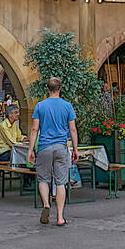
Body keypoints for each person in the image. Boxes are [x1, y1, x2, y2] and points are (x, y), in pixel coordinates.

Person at [27, 76, 79, 227]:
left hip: (44, 146)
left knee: (43, 179)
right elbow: (73, 129)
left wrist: (31, 149)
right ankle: (60, 217)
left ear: (47, 89)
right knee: (61, 182)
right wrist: (75, 149)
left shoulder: (40, 106)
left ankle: (46, 204)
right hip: (61, 146)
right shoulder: (67, 106)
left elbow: (34, 129)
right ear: (60, 89)